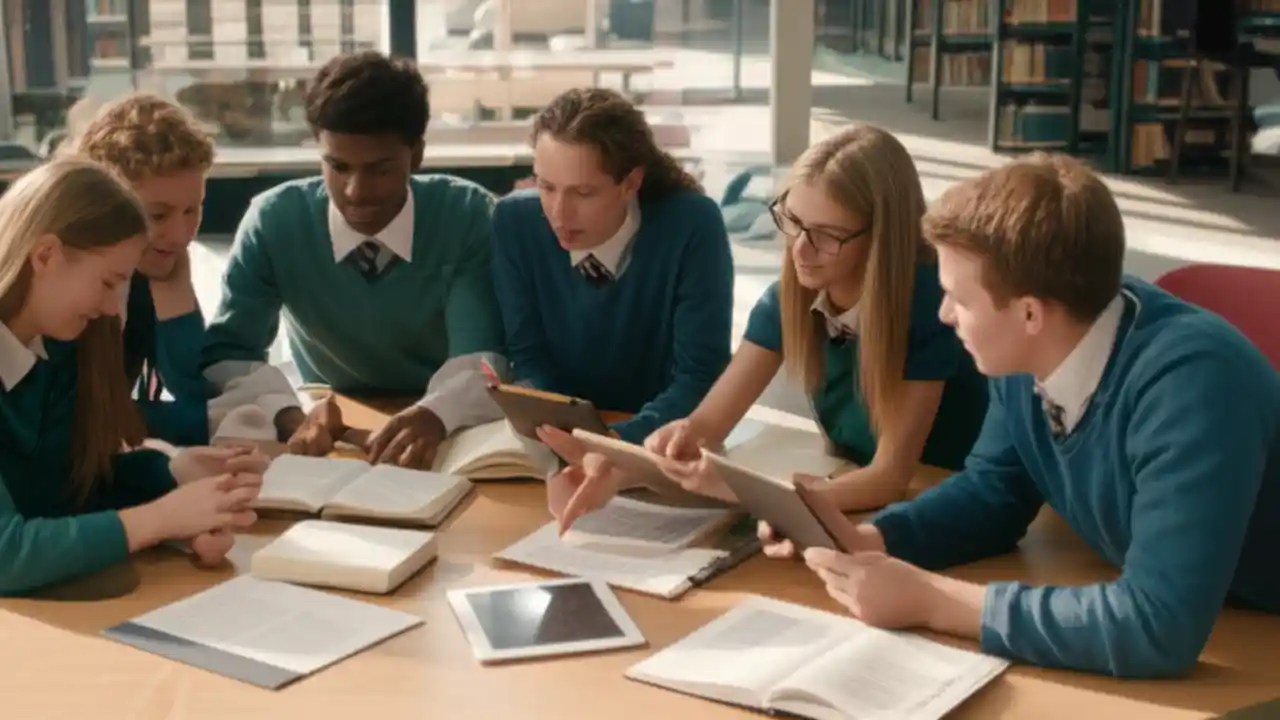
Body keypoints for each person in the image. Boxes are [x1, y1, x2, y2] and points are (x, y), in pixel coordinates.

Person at [765, 153, 1280, 678]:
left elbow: (1156, 626)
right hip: (1215, 615)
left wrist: (933, 601)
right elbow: (993, 494)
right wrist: (871, 541)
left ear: (1030, 313)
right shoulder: (1028, 349)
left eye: (957, 299)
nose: (944, 315)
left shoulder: (1192, 384)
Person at [540, 124, 989, 530]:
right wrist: (627, 468)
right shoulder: (789, 298)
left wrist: (748, 492)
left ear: (881, 237)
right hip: (849, 499)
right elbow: (706, 425)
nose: (801, 251)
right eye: (793, 222)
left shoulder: (931, 303)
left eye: (827, 234)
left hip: (944, 505)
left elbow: (891, 476)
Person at [201, 50, 506, 468]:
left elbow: (484, 360)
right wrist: (294, 419)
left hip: (448, 428)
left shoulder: (469, 217)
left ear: (415, 155)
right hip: (330, 428)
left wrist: (437, 413)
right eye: (337, 166)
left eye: (379, 170)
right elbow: (227, 354)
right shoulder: (273, 222)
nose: (355, 192)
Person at [0, 158, 266, 595]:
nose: (111, 309)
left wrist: (172, 478)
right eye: (108, 283)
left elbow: (60, 494)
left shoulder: (56, 348)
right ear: (45, 255)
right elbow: (7, 554)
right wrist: (157, 520)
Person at [491, 88, 733, 443]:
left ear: (631, 183)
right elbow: (529, 357)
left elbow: (699, 378)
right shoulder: (514, 222)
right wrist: (559, 434)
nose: (559, 213)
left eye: (583, 193)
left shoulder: (692, 225)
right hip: (561, 442)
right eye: (546, 187)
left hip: (662, 442)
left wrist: (612, 444)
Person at [66, 93, 215, 447]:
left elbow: (195, 391)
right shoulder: (60, 282)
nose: (180, 236)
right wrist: (214, 423)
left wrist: (173, 293)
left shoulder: (154, 267)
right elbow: (80, 419)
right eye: (158, 215)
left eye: (192, 210)